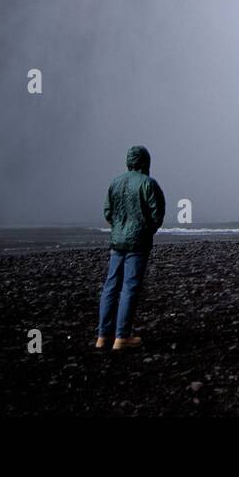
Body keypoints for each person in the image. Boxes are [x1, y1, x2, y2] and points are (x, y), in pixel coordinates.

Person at [96, 145, 166, 350]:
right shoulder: (148, 183)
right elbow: (157, 214)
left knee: (110, 286)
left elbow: (108, 212)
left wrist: (119, 226)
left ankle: (102, 336)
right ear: (145, 162)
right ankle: (121, 336)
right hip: (138, 241)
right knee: (130, 287)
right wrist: (146, 230)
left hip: (117, 241)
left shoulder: (115, 182)